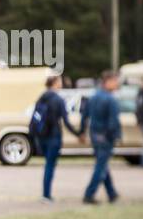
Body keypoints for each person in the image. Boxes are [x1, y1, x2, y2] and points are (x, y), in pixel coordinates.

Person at [29, 74, 82, 202]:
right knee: (50, 165)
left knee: (47, 164)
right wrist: (78, 134)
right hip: (54, 136)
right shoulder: (58, 100)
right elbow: (66, 121)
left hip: (41, 136)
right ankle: (46, 195)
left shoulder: (41, 97)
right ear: (55, 83)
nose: (61, 83)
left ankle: (45, 194)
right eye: (59, 81)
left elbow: (35, 117)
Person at [83, 70, 122, 204]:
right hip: (106, 137)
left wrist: (82, 132)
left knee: (102, 164)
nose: (117, 84)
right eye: (115, 81)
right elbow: (113, 122)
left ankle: (112, 193)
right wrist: (115, 136)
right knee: (101, 166)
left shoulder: (93, 97)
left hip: (95, 135)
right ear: (108, 82)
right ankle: (89, 194)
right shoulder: (111, 99)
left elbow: (84, 116)